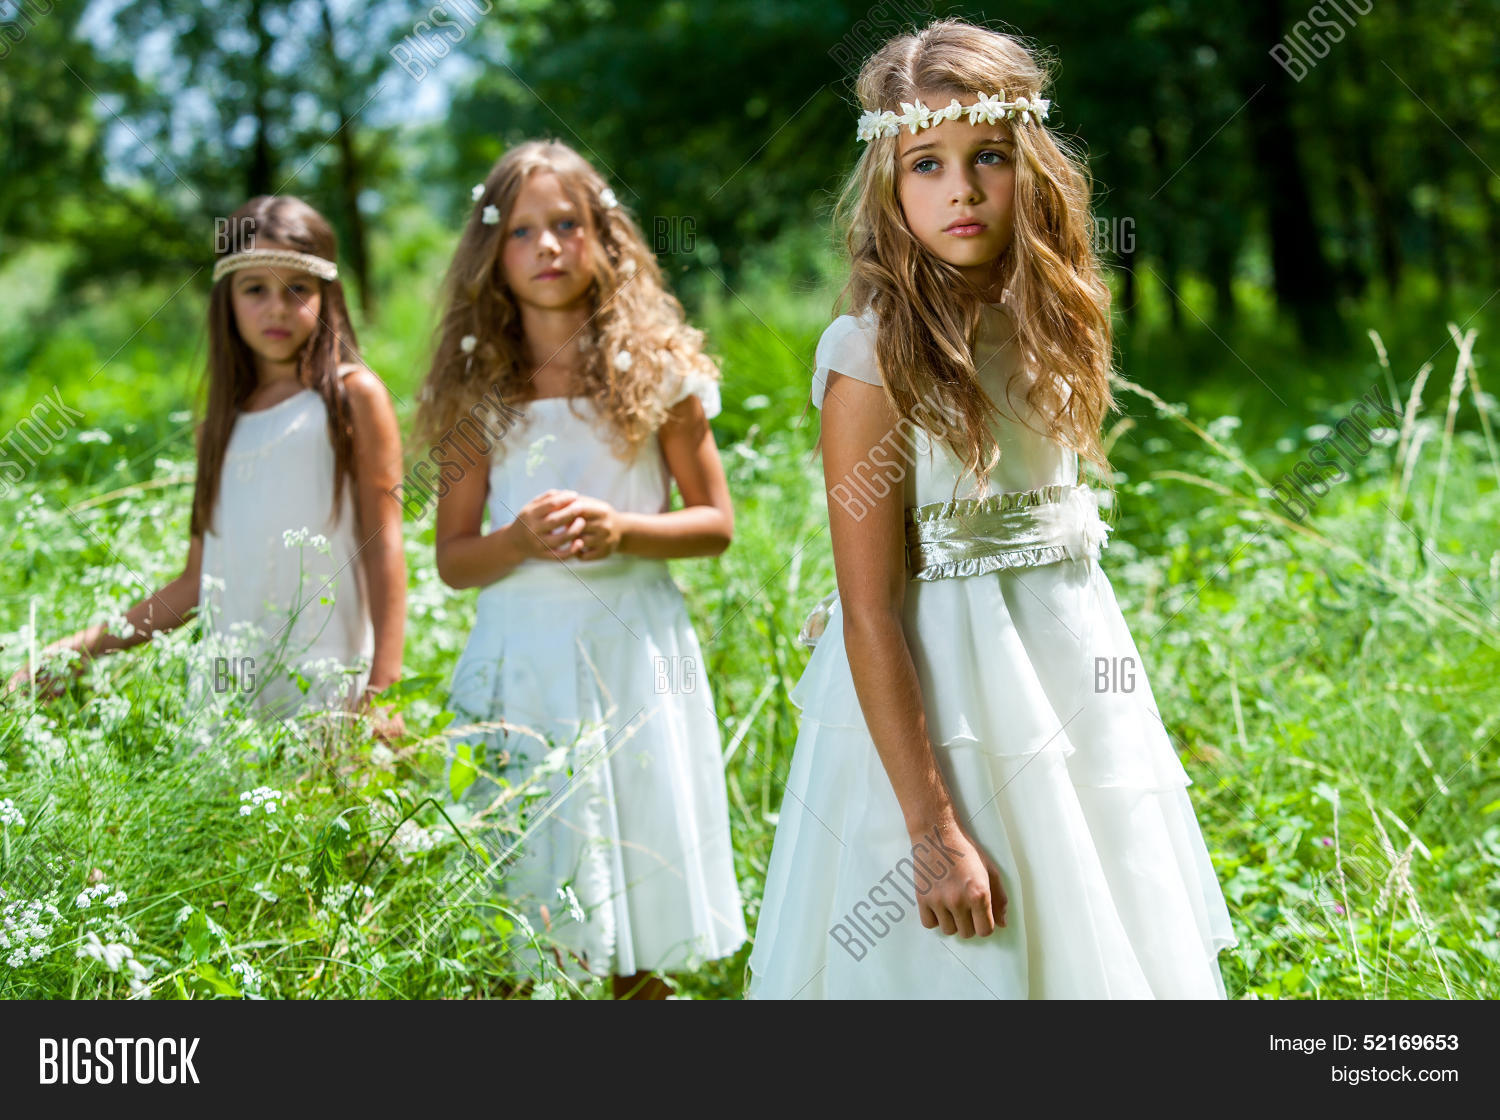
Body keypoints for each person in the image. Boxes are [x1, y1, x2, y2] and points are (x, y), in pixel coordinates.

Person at [748, 19, 1236, 999]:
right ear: (889, 182)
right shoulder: (869, 354)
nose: (961, 190)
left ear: (1032, 167)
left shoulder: (1055, 321)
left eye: (990, 158)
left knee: (1094, 936)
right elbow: (868, 610)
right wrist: (932, 829)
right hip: (944, 706)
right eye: (926, 163)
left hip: (1071, 687)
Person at [418, 141, 746, 999]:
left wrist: (623, 529)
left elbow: (715, 525)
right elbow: (454, 560)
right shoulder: (473, 390)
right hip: (523, 653)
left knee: (639, 864)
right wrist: (520, 541)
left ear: (606, 238)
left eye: (567, 225)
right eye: (522, 232)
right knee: (525, 875)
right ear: (492, 253)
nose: (549, 247)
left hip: (634, 647)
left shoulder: (659, 372)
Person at [8, 196, 407, 733]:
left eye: (297, 289)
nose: (277, 308)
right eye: (255, 289)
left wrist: (384, 691)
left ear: (326, 296)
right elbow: (197, 583)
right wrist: (75, 651)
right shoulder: (217, 426)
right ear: (227, 300)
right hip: (226, 699)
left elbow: (383, 546)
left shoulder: (352, 397)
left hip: (327, 683)